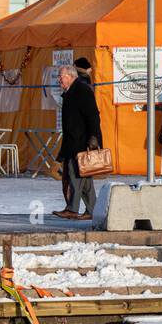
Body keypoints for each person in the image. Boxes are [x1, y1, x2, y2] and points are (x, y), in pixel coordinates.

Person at [55, 63, 101, 220]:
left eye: (61, 76)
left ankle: (72, 209)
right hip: (74, 141)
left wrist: (93, 138)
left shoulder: (82, 90)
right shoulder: (70, 92)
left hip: (82, 142)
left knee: (75, 174)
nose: (59, 80)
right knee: (85, 177)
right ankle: (92, 210)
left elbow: (93, 115)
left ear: (71, 76)